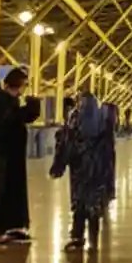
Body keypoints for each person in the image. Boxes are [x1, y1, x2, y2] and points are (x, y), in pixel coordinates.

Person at [0, 68, 40, 243]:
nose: (25, 89)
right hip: (4, 156)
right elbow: (7, 123)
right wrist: (30, 110)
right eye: (25, 84)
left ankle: (13, 226)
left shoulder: (7, 101)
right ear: (18, 84)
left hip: (11, 156)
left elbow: (14, 120)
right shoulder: (1, 101)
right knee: (1, 191)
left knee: (12, 191)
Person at [50, 93, 113, 252]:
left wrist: (58, 167)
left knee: (79, 204)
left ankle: (77, 236)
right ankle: (93, 239)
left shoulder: (75, 119)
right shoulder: (102, 120)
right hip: (98, 170)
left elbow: (66, 145)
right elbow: (109, 149)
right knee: (94, 205)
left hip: (79, 170)